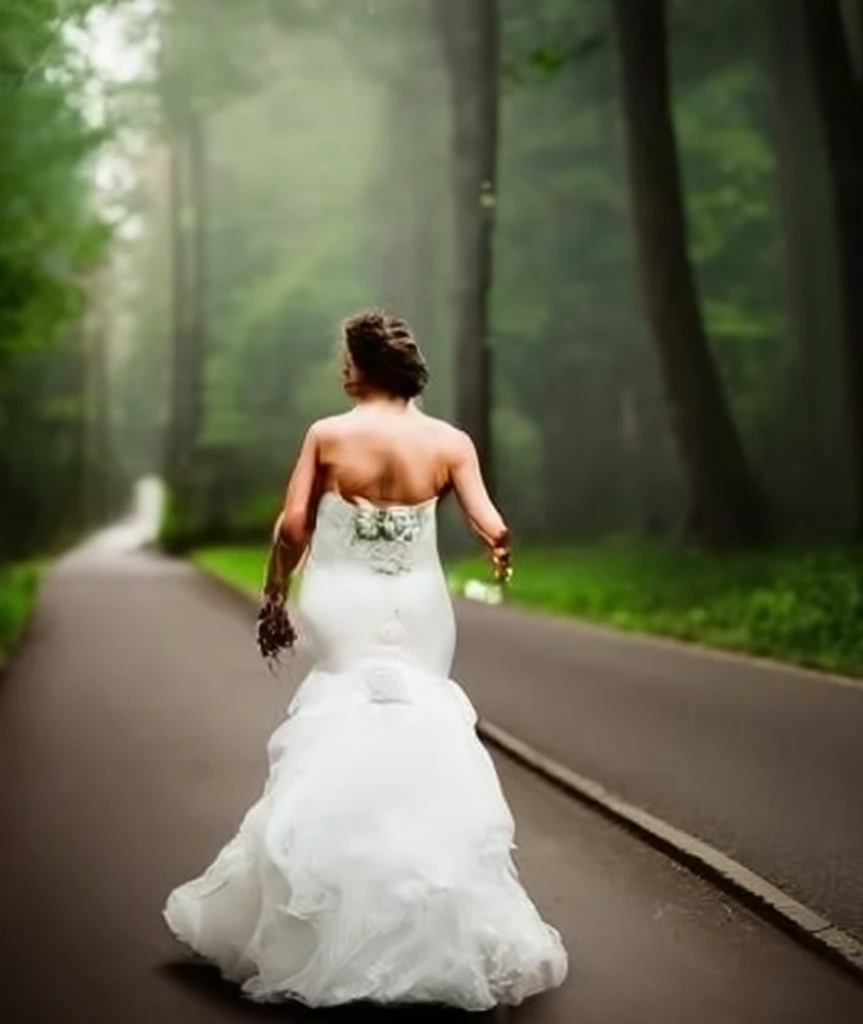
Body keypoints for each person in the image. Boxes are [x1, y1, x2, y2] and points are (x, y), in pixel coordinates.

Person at [163, 310, 568, 1011]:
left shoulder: (329, 434)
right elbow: (489, 521)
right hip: (417, 607)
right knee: (420, 725)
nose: (341, 370)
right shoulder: (449, 442)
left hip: (342, 601)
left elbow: (293, 526)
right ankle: (423, 896)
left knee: (344, 719)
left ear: (365, 366)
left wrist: (273, 586)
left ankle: (328, 899)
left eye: (345, 358)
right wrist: (499, 548)